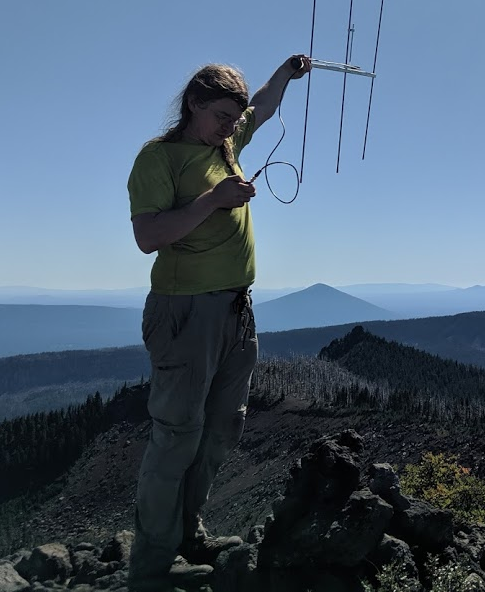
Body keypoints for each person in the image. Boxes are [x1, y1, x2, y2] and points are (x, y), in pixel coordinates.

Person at [125, 56, 311, 591]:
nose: (232, 126)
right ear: (194, 105)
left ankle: (188, 531)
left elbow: (263, 108)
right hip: (185, 311)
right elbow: (148, 237)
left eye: (235, 120)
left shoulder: (225, 144)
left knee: (219, 429)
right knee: (177, 436)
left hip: (235, 309)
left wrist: (286, 72)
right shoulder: (159, 159)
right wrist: (215, 199)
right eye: (222, 117)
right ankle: (151, 567)